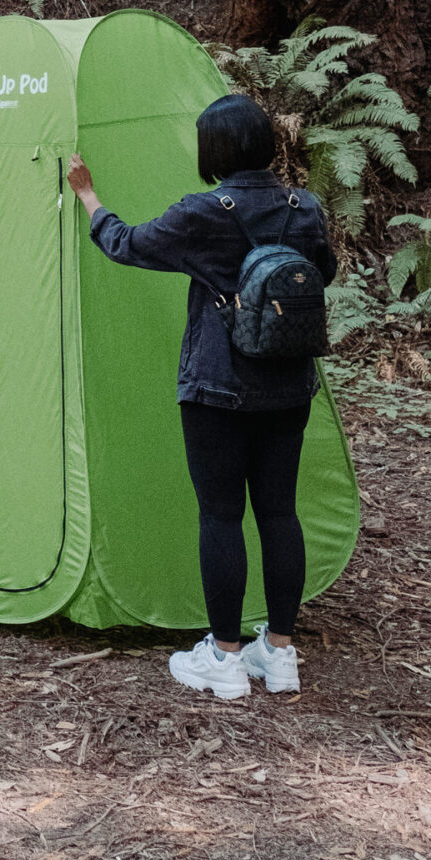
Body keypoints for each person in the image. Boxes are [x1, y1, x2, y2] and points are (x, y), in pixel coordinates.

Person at [65, 92, 337, 702]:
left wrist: (89, 196)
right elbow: (324, 271)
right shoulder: (306, 206)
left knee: (221, 515)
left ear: (212, 149)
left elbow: (127, 244)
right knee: (279, 512)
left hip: (219, 384)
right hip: (290, 384)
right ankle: (281, 653)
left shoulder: (206, 211)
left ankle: (225, 656)